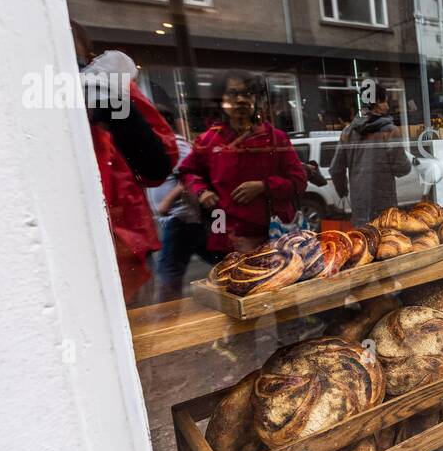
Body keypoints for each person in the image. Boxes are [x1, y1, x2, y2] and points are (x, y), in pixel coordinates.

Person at [72, 22, 178, 302]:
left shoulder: (107, 86)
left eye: (76, 60)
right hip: (73, 248)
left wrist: (112, 105)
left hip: (127, 245)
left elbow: (158, 164)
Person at [178, 71, 319, 255]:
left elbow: (298, 182)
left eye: (247, 94)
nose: (241, 100)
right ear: (221, 99)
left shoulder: (276, 139)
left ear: (256, 99)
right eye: (233, 94)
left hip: (274, 237)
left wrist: (263, 186)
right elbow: (187, 173)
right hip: (227, 235)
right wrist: (201, 191)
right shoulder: (208, 141)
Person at [147, 109, 213, 298]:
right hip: (182, 219)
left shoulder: (176, 145)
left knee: (169, 270)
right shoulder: (162, 145)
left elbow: (189, 175)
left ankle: (167, 315)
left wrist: (167, 201)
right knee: (215, 256)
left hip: (181, 216)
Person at [329, 84, 413, 224]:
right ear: (378, 104)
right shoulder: (389, 131)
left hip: (359, 207)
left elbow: (335, 169)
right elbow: (402, 169)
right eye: (385, 101)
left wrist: (343, 192)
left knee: (362, 243)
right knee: (386, 244)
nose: (387, 105)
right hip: (385, 210)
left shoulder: (347, 132)